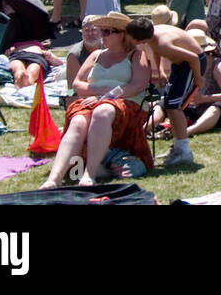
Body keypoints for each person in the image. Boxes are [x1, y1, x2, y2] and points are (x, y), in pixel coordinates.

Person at [42, 11, 152, 187]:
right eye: (101, 31)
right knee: (78, 120)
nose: (102, 35)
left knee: (103, 111)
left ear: (122, 33)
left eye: (107, 32)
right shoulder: (96, 55)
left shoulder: (136, 55)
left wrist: (106, 96)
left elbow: (138, 85)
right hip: (94, 100)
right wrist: (98, 93)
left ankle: (89, 174)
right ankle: (54, 179)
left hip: (127, 102)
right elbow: (77, 83)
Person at [126, 14, 204, 166]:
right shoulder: (153, 34)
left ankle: (184, 152)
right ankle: (178, 146)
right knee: (169, 104)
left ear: (139, 40)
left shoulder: (163, 43)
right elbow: (155, 50)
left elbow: (194, 58)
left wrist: (198, 78)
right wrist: (160, 70)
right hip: (181, 64)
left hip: (192, 65)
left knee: (174, 106)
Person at [153, 29, 221, 136]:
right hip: (197, 108)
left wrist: (204, 99)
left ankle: (188, 132)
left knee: (216, 107)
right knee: (164, 104)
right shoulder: (187, 66)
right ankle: (145, 128)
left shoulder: (218, 67)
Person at [66, 15, 104, 87]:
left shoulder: (108, 48)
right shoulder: (75, 55)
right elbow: (72, 87)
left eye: (94, 30)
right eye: (86, 30)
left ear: (101, 32)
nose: (90, 34)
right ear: (82, 33)